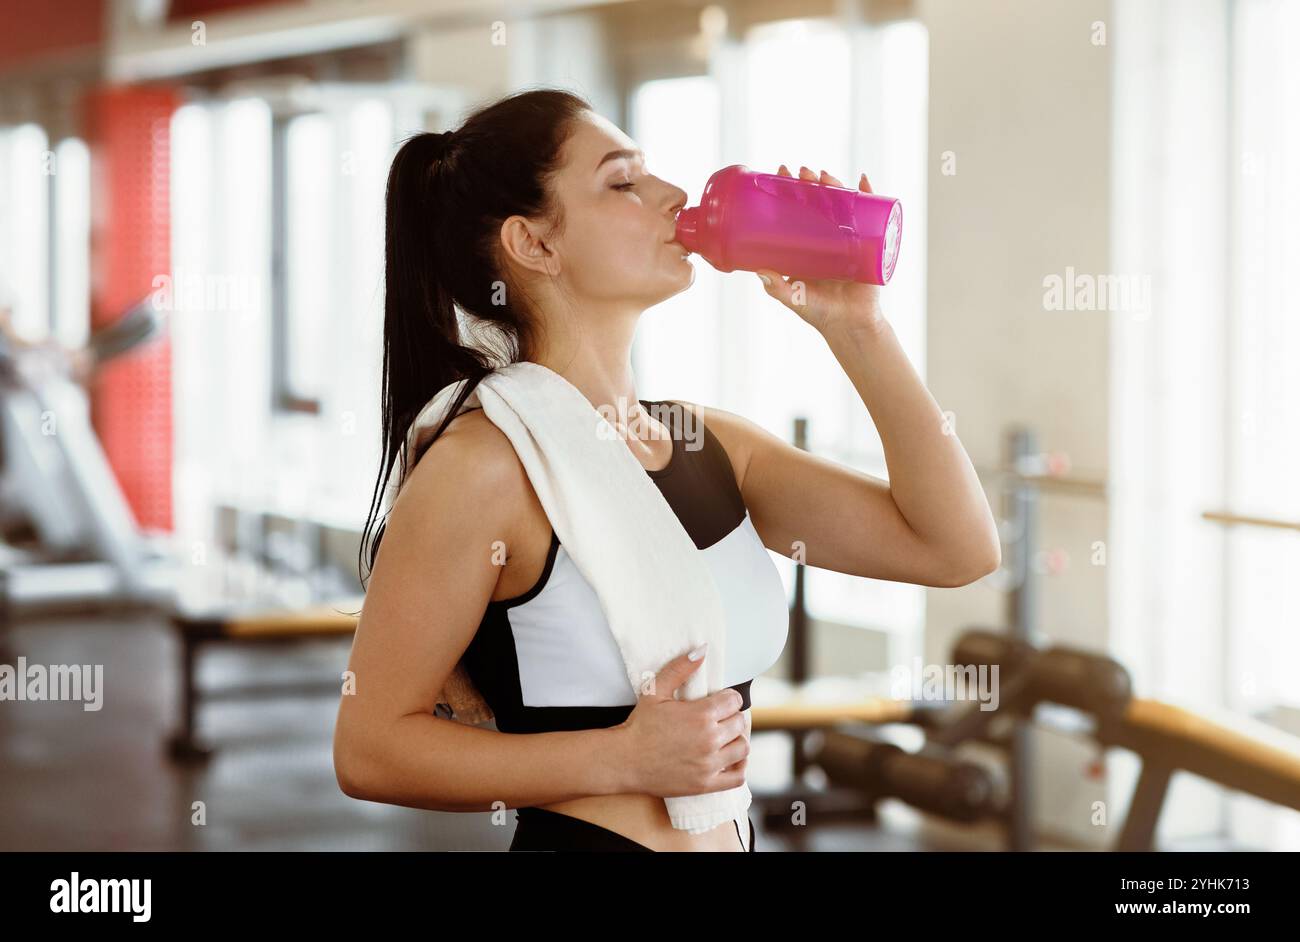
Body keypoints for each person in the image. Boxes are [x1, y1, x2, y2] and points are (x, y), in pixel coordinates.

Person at [332, 88, 1001, 852]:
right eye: (623, 181)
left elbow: (956, 549)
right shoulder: (485, 466)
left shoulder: (708, 444)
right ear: (533, 244)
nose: (675, 196)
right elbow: (370, 747)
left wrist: (859, 328)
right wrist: (619, 757)